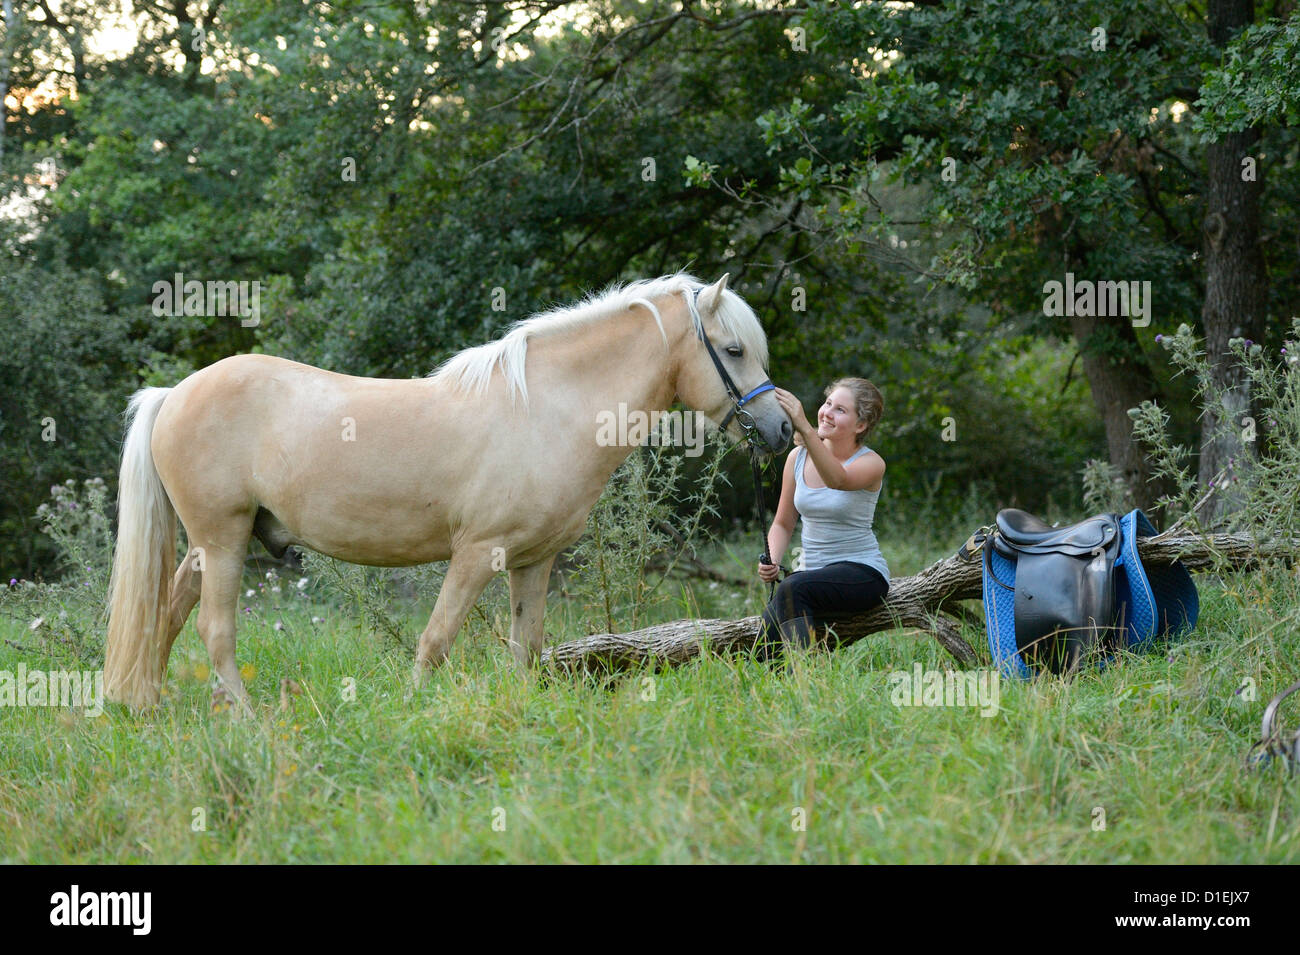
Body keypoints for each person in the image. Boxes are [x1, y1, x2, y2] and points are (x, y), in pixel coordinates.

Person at [757, 378, 890, 655]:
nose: (827, 412)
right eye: (828, 403)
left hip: (863, 573)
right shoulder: (797, 458)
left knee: (794, 588)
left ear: (860, 425)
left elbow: (837, 480)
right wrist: (772, 558)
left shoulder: (871, 463)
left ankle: (808, 676)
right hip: (813, 580)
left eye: (840, 410)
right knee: (764, 644)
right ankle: (784, 693)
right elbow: (783, 522)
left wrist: (804, 427)